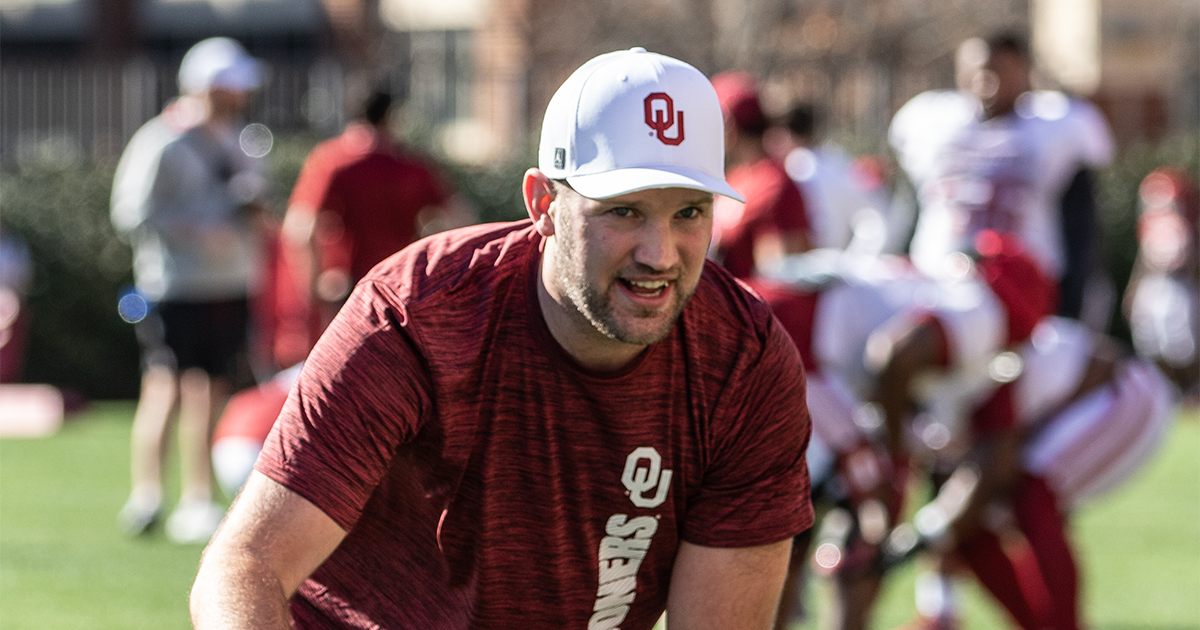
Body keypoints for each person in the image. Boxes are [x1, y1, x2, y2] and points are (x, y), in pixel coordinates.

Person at [190, 48, 814, 629]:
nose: (660, 254)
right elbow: (247, 566)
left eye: (689, 212)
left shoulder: (744, 362)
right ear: (543, 201)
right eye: (623, 210)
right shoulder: (414, 316)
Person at [112, 37, 269, 543]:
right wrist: (194, 230)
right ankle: (148, 494)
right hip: (174, 284)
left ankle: (197, 499)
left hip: (228, 283)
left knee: (214, 389)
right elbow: (130, 211)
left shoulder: (241, 141)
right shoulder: (162, 139)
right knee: (164, 386)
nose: (241, 95)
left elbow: (253, 200)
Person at [889, 33, 1115, 327]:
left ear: (1023, 72)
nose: (986, 81)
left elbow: (1081, 220)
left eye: (998, 71)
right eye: (977, 70)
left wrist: (1072, 298)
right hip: (937, 284)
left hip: (1023, 289)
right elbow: (907, 210)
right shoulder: (931, 122)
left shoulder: (1058, 126)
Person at [274, 90, 471, 365]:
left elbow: (300, 229)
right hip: (400, 287)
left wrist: (314, 284)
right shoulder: (411, 165)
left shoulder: (332, 161)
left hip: (347, 286)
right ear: (390, 117)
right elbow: (460, 219)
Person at [709, 71, 811, 278]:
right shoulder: (737, 176)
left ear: (730, 126)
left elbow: (780, 276)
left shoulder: (773, 185)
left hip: (744, 305)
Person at [775, 104, 899, 254]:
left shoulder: (797, 166)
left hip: (810, 260)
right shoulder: (835, 159)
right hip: (832, 260)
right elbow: (877, 208)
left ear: (785, 133)